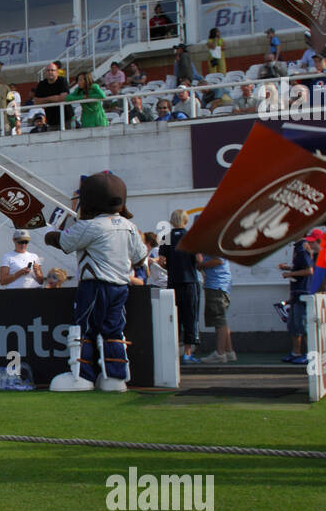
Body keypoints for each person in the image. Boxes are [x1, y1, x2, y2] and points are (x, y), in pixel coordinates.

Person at [44, 172, 146, 392]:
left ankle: (82, 376)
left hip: (95, 284)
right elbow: (140, 256)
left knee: (85, 329)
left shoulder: (91, 225)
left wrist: (49, 235)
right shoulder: (129, 226)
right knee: (114, 331)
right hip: (121, 286)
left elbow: (65, 242)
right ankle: (115, 378)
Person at [159, 209, 200, 363]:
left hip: (172, 282)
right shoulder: (191, 236)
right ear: (185, 220)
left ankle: (173, 353)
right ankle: (188, 353)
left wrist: (171, 268)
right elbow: (199, 259)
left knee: (173, 318)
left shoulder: (166, 237)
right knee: (190, 316)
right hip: (189, 281)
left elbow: (161, 261)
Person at [278, 233, 317, 363]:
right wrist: (289, 268)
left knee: (302, 324)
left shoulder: (302, 248)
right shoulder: (298, 248)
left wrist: (290, 273)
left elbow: (309, 270)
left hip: (302, 291)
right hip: (296, 292)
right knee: (293, 324)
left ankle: (309, 354)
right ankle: (296, 352)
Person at [197, 253, 234, 363]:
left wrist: (201, 265)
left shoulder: (213, 243)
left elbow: (218, 260)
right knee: (221, 319)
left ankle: (220, 353)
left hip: (216, 284)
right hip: (218, 284)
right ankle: (229, 351)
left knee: (219, 320)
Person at [32, 60, 69, 129]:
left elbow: (63, 98)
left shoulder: (62, 81)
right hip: (51, 121)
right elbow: (36, 102)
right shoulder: (41, 84)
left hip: (66, 119)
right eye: (48, 70)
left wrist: (45, 100)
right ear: (45, 73)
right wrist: (54, 98)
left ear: (57, 72)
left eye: (52, 70)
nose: (50, 72)